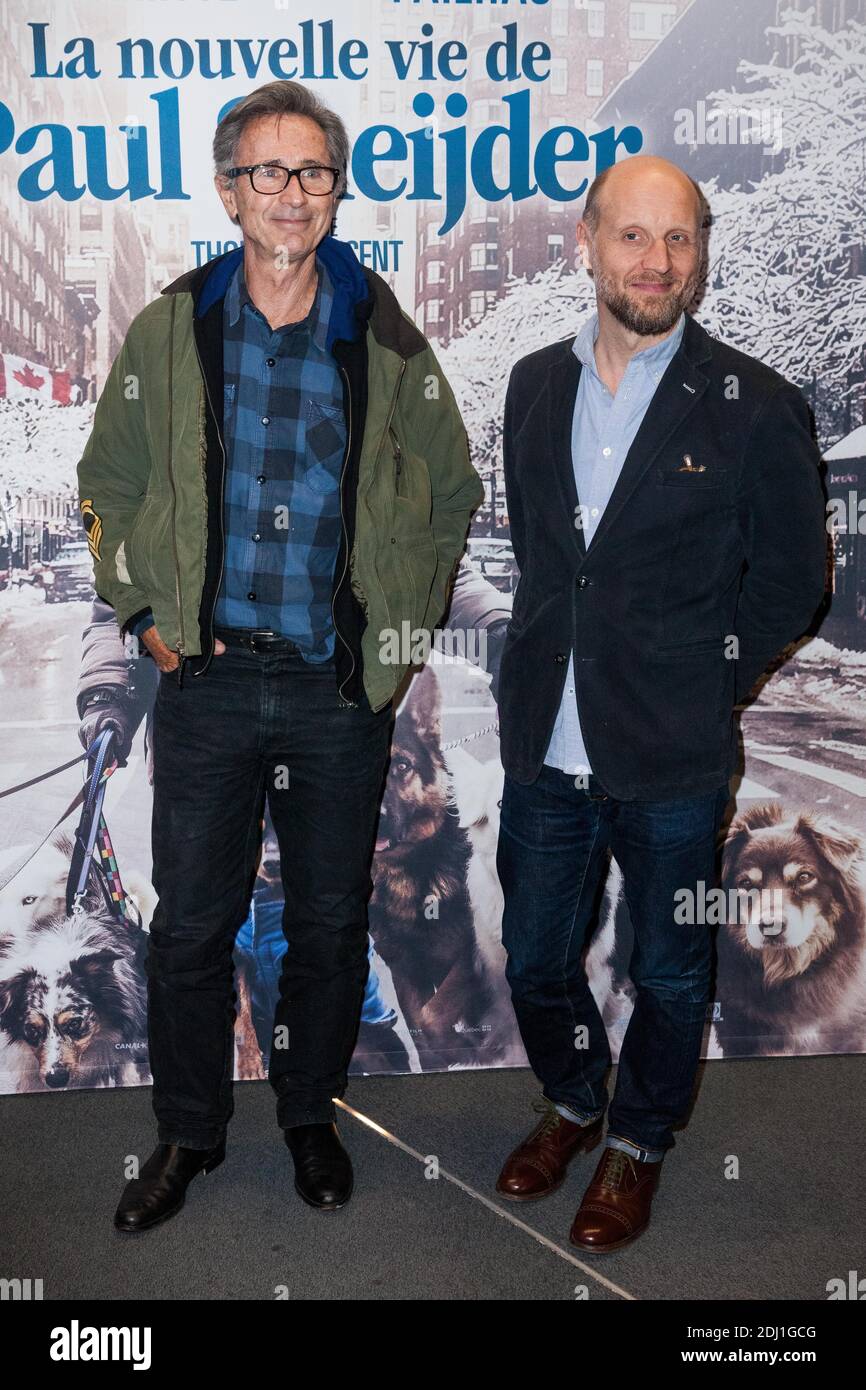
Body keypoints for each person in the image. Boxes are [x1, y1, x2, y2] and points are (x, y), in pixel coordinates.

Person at [77, 79, 483, 1232]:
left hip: (331, 687)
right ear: (228, 190)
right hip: (203, 678)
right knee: (194, 926)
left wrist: (397, 635)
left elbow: (451, 488)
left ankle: (311, 1114)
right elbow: (104, 484)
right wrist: (142, 610)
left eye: (311, 171)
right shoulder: (171, 325)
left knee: (326, 921)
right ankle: (189, 1133)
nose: (291, 194)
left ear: (333, 189)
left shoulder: (381, 325)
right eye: (268, 171)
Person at [493, 155, 827, 1253]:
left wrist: (708, 679)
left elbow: (790, 579)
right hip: (546, 744)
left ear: (700, 252)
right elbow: (552, 565)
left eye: (676, 238)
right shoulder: (531, 385)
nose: (655, 260)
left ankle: (634, 1143)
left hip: (676, 758)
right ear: (585, 244)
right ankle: (576, 1097)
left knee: (669, 966)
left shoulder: (755, 403)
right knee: (538, 958)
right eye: (631, 236)